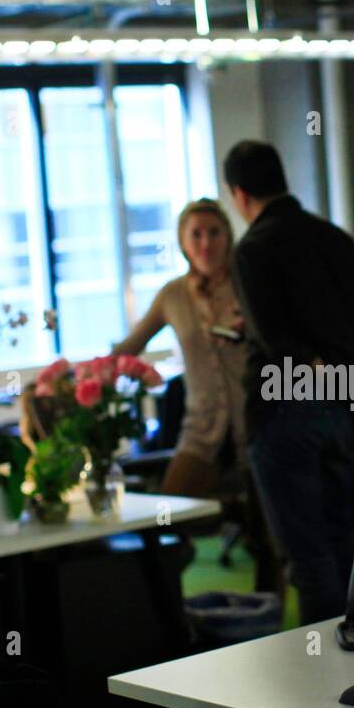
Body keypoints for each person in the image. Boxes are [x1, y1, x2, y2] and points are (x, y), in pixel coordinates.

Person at [223, 140, 354, 625]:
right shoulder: (336, 239)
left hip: (284, 408)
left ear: (239, 194)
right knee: (341, 540)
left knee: (306, 558)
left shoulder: (253, 249)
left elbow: (275, 338)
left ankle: (321, 673)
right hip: (344, 400)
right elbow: (349, 324)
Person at [112, 199, 249, 498]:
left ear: (227, 237)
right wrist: (83, 375)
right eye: (196, 235)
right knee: (169, 513)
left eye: (214, 233)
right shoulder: (172, 295)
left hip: (255, 424)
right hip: (200, 430)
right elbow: (129, 347)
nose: (206, 244)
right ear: (183, 243)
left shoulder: (247, 286)